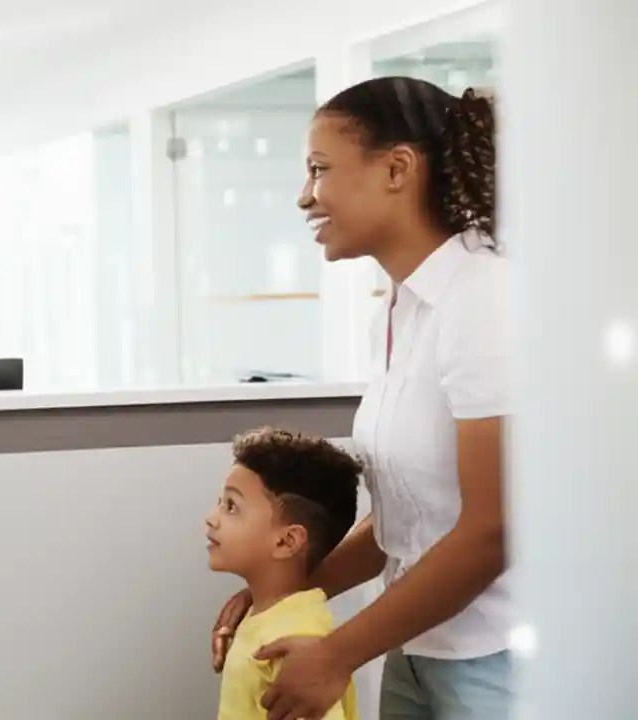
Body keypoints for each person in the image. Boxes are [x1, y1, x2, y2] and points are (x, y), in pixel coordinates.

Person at [211, 77, 509, 720]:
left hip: (498, 659)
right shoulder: (399, 310)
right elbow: (406, 518)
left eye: (319, 170)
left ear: (397, 168)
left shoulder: (484, 300)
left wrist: (338, 652)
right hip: (420, 649)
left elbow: (491, 530)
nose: (303, 196)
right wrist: (284, 597)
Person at [207, 428, 361, 720]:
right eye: (220, 503)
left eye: (231, 507)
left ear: (286, 541)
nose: (211, 518)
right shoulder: (264, 616)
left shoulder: (294, 639)